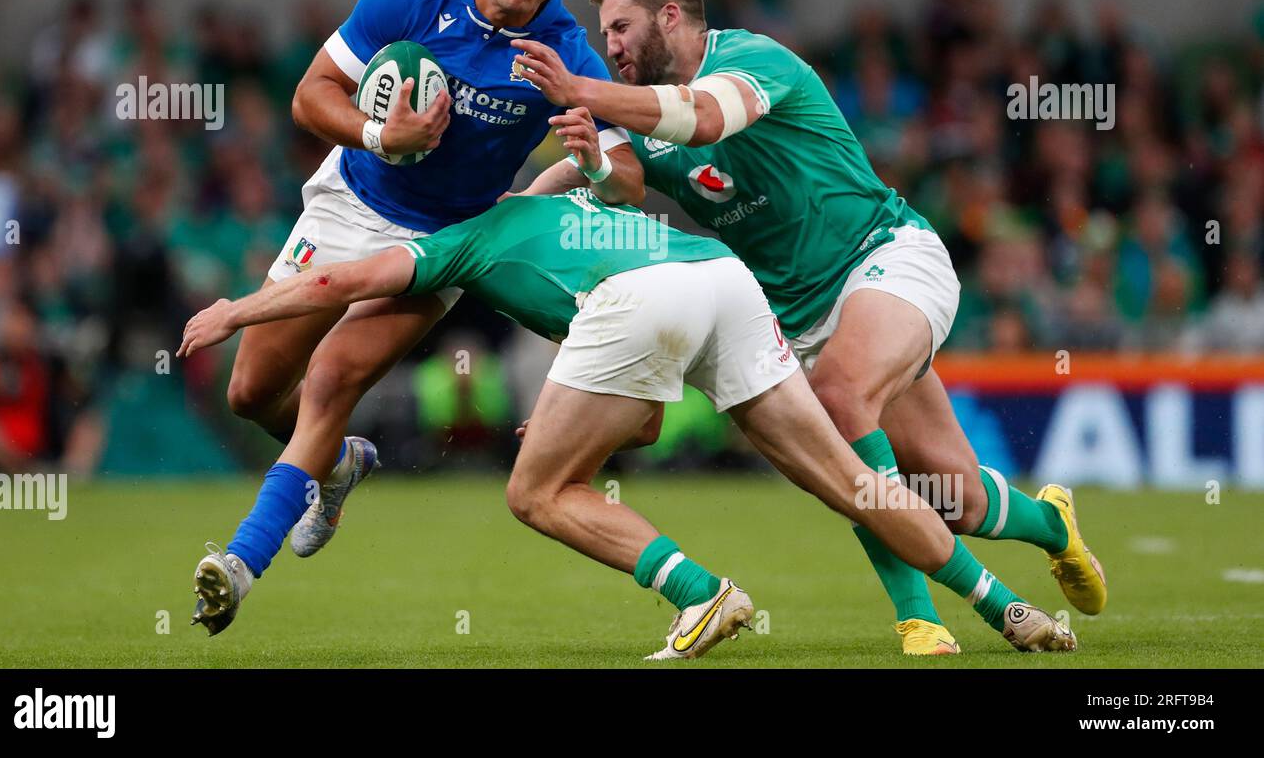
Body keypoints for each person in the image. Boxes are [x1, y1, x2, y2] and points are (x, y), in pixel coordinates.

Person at [179, 189, 1076, 660]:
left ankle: (701, 595)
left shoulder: (452, 239)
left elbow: (338, 283)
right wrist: (583, 429)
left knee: (534, 493)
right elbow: (644, 418)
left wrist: (238, 311)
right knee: (849, 480)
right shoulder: (550, 204)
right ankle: (1011, 608)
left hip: (638, 304)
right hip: (719, 278)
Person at [508, 0, 1106, 655]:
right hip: (803, 318)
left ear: (671, 16)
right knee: (959, 499)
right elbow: (618, 176)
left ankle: (921, 615)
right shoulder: (640, 117)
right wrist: (513, 211)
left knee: (841, 397)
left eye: (621, 27)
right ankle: (1052, 526)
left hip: (884, 258)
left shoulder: (754, 62)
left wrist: (578, 87)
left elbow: (701, 120)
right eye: (603, 34)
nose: (609, 46)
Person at [224, 0, 643, 557]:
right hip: (351, 199)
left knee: (332, 377)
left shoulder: (563, 51)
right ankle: (337, 464)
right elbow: (310, 97)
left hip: (442, 241)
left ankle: (244, 557)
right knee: (250, 391)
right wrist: (382, 135)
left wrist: (595, 159)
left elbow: (628, 181)